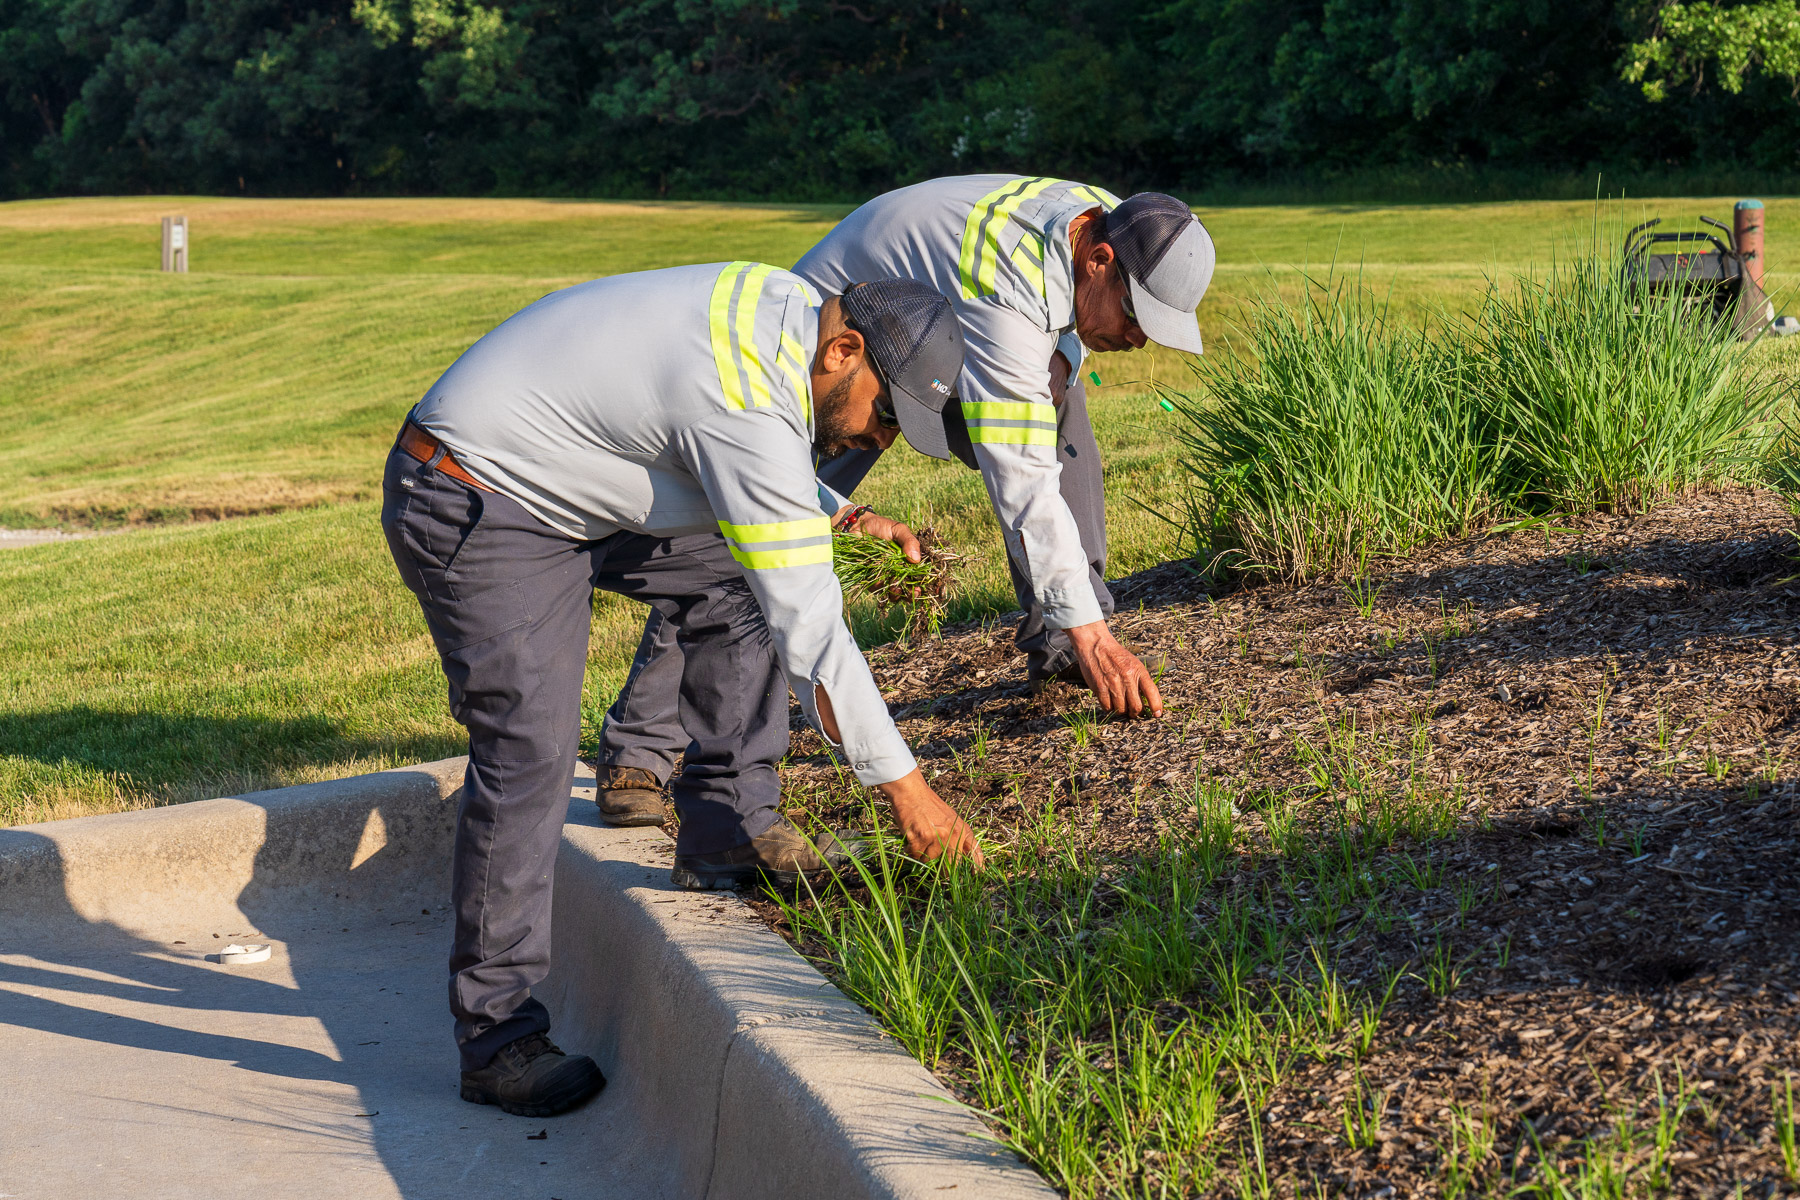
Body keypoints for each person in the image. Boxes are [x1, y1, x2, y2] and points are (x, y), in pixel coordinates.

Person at [381, 263, 983, 1117]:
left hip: (570, 488)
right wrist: (909, 794)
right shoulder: (743, 382)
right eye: (887, 416)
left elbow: (729, 447)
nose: (875, 443)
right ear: (843, 351)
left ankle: (724, 831)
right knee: (530, 753)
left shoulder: (788, 325)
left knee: (738, 583)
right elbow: (809, 623)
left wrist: (837, 516)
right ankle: (497, 1036)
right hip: (472, 495)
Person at [592, 179, 1216, 829]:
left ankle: (1064, 644)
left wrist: (1062, 352)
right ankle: (640, 747)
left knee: (1065, 423)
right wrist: (1097, 635)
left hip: (939, 334)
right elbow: (1022, 486)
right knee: (750, 535)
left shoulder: (1112, 218)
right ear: (1100, 261)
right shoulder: (1006, 287)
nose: (1140, 341)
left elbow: (1065, 315)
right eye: (1136, 316)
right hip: (843, 357)